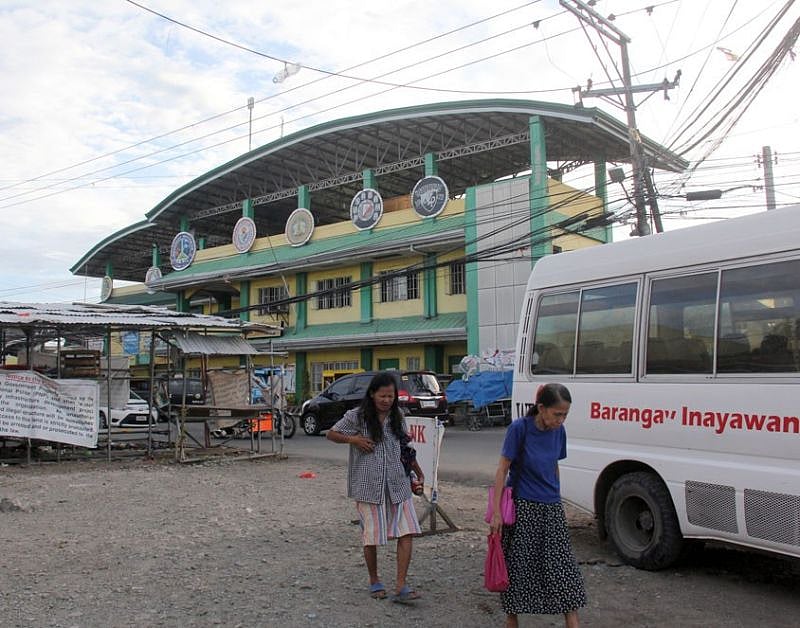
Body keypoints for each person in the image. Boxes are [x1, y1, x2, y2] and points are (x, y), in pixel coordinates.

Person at [489, 383, 586, 628]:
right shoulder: (519, 429)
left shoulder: (559, 432)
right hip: (523, 509)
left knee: (564, 572)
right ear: (541, 408)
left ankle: (572, 622)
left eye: (565, 415)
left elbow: (554, 465)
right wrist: (497, 513)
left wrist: (558, 497)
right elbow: (502, 469)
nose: (561, 420)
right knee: (519, 572)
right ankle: (512, 621)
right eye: (557, 414)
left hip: (551, 508)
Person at [327, 371, 424, 604]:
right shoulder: (357, 417)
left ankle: (401, 584)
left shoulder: (398, 416)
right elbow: (331, 433)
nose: (386, 400)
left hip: (398, 483)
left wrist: (417, 472)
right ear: (372, 394)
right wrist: (354, 440)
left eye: (390, 396)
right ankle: (374, 580)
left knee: (407, 530)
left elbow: (405, 447)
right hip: (368, 485)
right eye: (382, 396)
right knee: (371, 536)